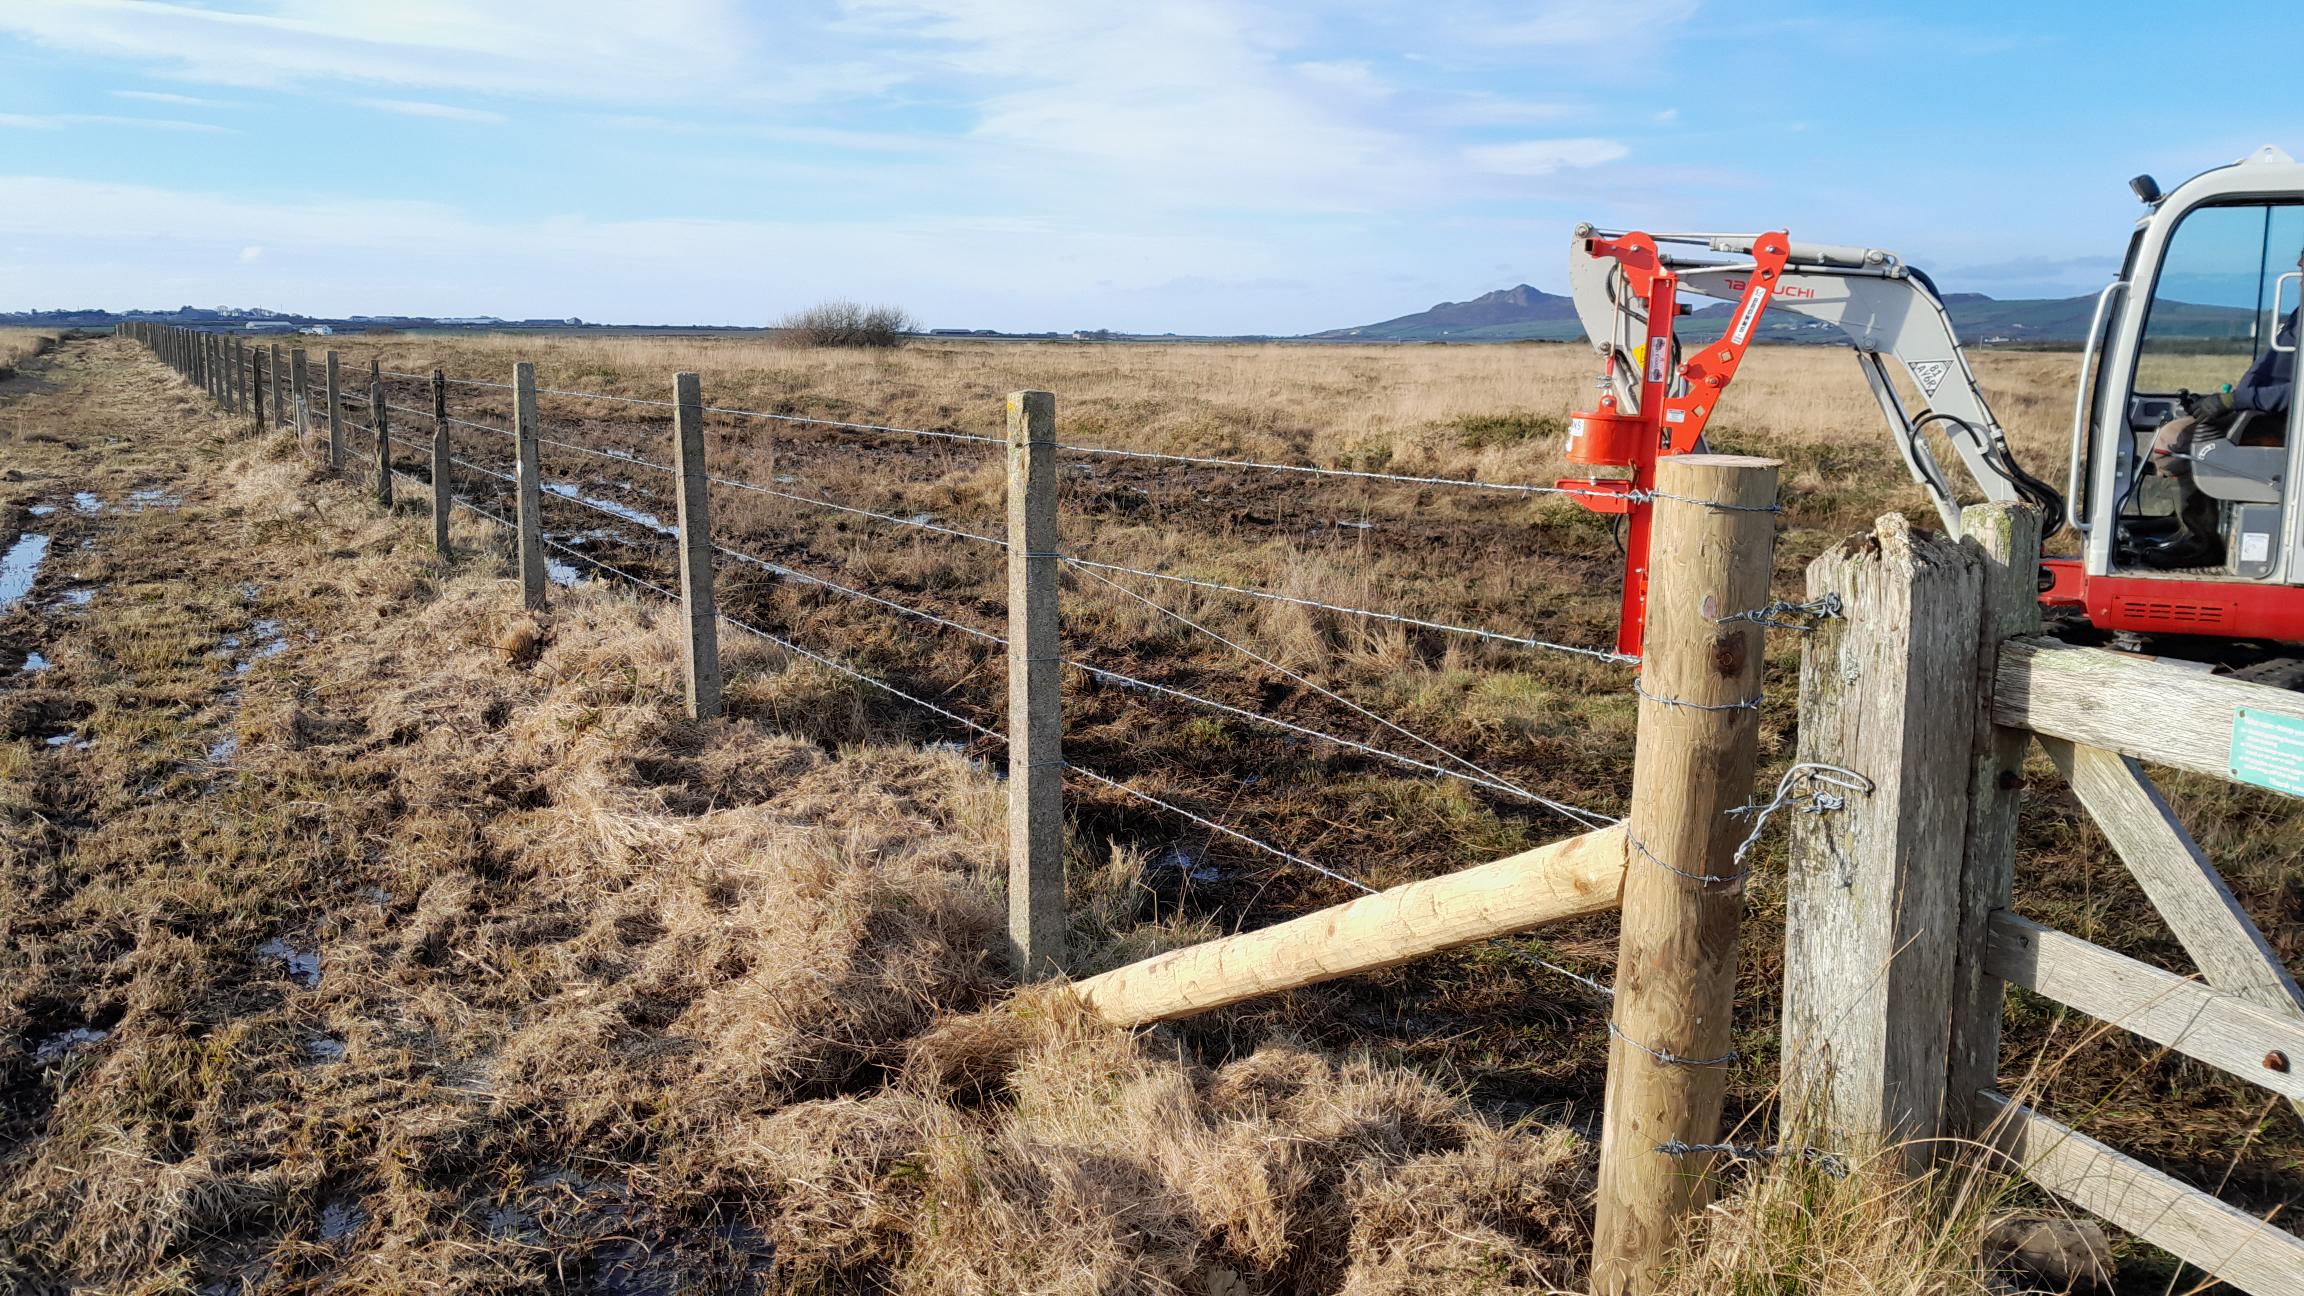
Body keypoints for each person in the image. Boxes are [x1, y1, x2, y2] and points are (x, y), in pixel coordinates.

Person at [2141, 252, 2298, 568]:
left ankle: (2203, 541)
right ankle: (2195, 528)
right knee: (2182, 433)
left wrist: (2235, 401)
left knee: (2175, 441)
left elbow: (2299, 391)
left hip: (2283, 424)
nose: (2299, 265)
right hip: (2267, 415)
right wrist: (2231, 398)